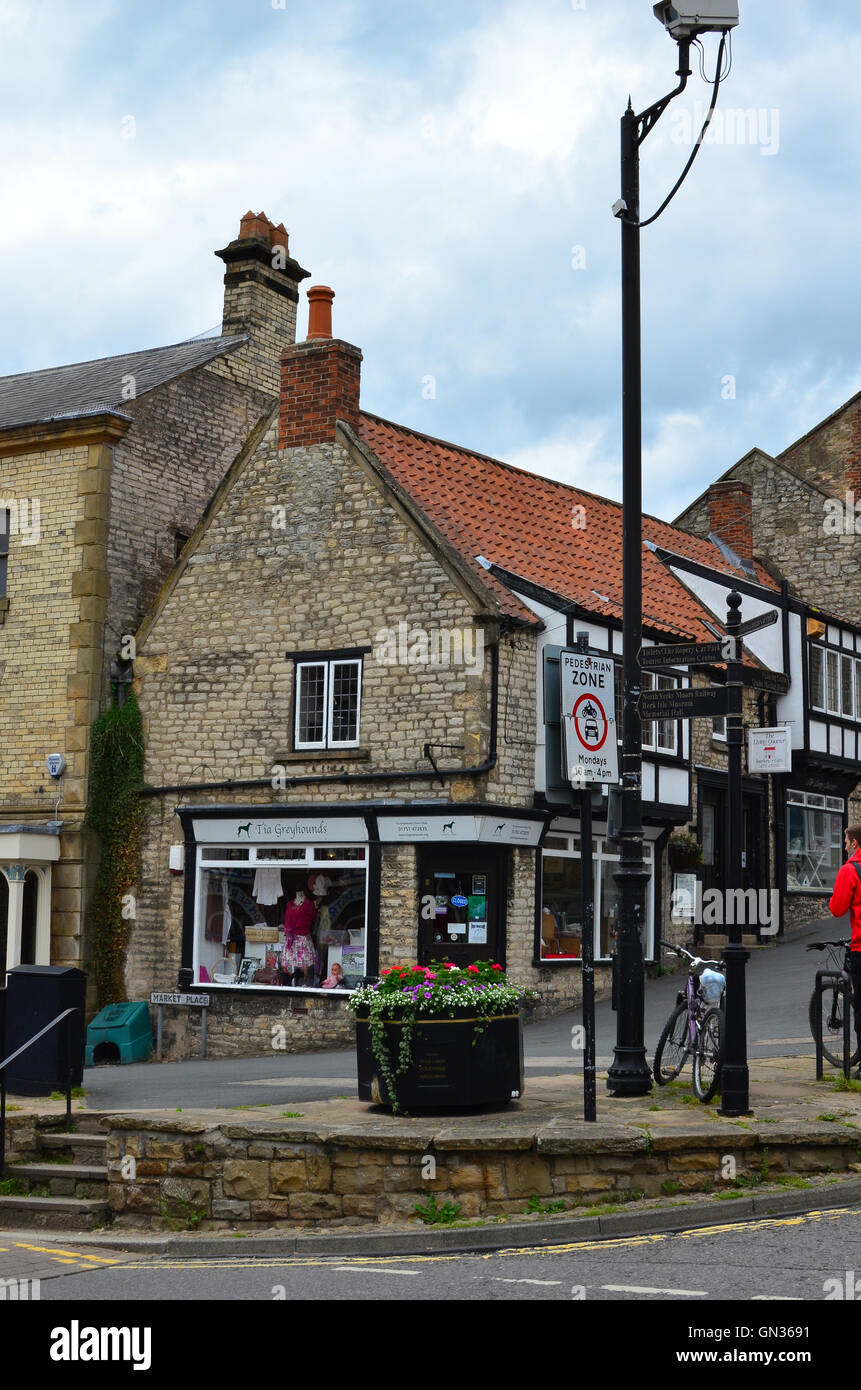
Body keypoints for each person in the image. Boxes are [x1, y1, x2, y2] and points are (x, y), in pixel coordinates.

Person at [828, 825, 861, 1071]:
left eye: (847, 842)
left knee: (860, 1006)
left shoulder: (850, 870)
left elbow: (837, 908)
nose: (845, 846)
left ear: (855, 844)